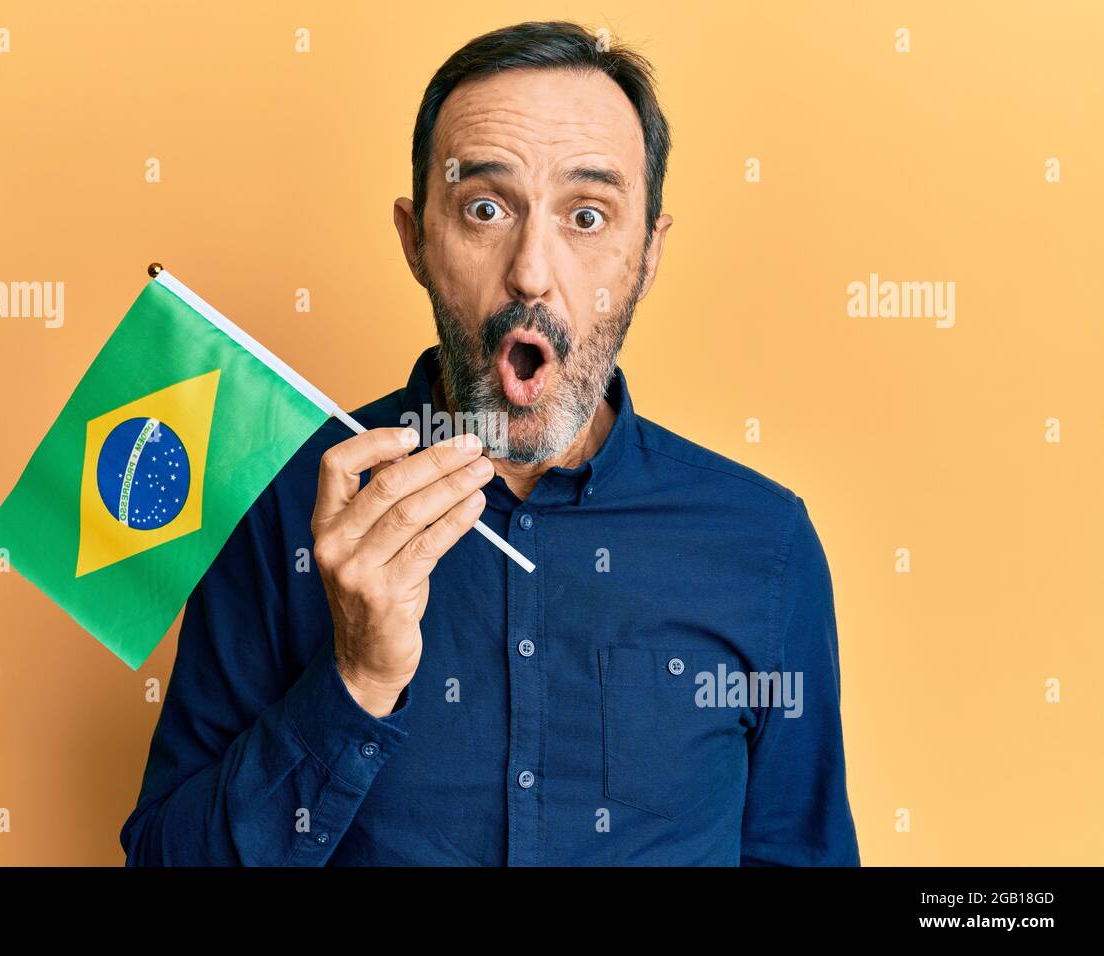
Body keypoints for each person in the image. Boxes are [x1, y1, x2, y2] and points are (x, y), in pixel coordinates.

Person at [120, 20, 859, 866]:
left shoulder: (763, 545)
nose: (531, 273)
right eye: (485, 209)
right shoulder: (283, 505)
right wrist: (355, 680)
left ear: (649, 256)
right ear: (415, 240)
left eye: (587, 216)